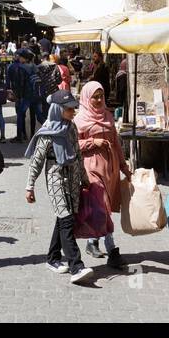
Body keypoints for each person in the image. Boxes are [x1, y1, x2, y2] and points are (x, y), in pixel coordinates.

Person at [25, 93, 97, 286]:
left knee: (64, 217)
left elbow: (78, 155)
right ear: (58, 109)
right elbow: (37, 161)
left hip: (73, 179)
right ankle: (76, 266)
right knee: (66, 220)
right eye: (69, 108)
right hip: (56, 178)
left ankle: (52, 258)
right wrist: (29, 186)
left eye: (73, 108)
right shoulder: (47, 132)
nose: (73, 112)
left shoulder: (71, 128)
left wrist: (84, 178)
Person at [75, 81, 130, 270]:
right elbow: (74, 145)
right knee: (103, 207)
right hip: (91, 168)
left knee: (102, 208)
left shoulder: (108, 115)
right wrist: (93, 142)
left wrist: (123, 167)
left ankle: (92, 241)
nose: (98, 100)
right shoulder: (79, 119)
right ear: (86, 97)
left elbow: (115, 142)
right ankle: (112, 250)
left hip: (110, 168)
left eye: (101, 96)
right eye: (95, 97)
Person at [7, 48, 40, 142]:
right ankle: (33, 135)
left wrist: (18, 96)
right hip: (35, 94)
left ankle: (20, 136)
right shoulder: (34, 66)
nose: (19, 58)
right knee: (34, 116)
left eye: (20, 57)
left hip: (25, 95)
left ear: (23, 58)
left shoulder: (21, 68)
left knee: (20, 115)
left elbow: (20, 83)